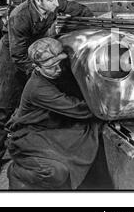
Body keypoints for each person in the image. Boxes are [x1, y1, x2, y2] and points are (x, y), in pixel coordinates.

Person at [0, 0, 93, 175]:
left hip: (41, 51)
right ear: (38, 1)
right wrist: (40, 73)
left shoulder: (53, 1)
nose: (56, 3)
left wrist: (88, 27)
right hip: (11, 57)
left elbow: (81, 10)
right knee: (3, 105)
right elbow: (18, 55)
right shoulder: (19, 16)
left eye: (56, 0)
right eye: (51, 1)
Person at [6, 37, 100, 190]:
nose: (59, 70)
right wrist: (105, 107)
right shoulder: (38, 88)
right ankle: (17, 172)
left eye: (59, 64)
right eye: (51, 67)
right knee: (56, 173)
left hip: (47, 129)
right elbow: (76, 109)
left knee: (83, 139)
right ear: (37, 67)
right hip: (27, 137)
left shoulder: (54, 74)